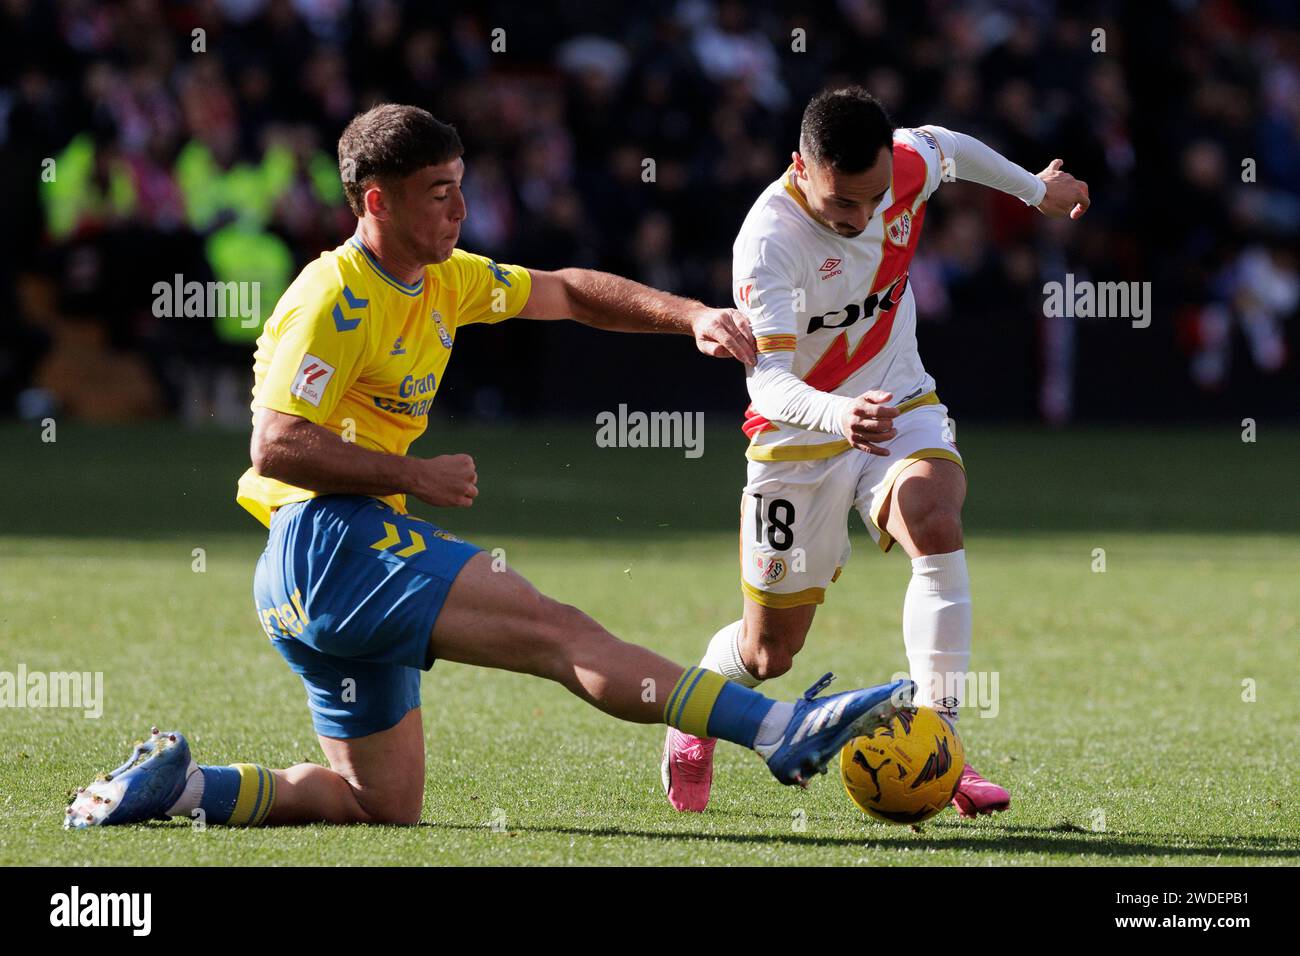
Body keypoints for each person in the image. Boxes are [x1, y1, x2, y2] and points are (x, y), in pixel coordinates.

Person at [65, 103, 911, 829]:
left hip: (310, 576)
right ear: (376, 202)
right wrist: (418, 478)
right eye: (439, 192)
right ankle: (778, 728)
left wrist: (690, 314)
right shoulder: (331, 297)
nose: (461, 208)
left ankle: (181, 788)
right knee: (561, 634)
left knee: (380, 806)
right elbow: (275, 445)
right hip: (333, 544)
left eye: (460, 184)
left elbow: (570, 291)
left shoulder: (445, 279)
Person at [662, 86, 1089, 815]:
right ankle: (694, 708)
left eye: (874, 201)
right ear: (802, 168)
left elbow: (949, 145)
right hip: (797, 438)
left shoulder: (906, 163)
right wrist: (837, 413)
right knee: (771, 654)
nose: (863, 220)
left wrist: (1033, 189)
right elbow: (768, 383)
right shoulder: (768, 243)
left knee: (933, 517)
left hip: (898, 400)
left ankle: (939, 746)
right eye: (843, 208)